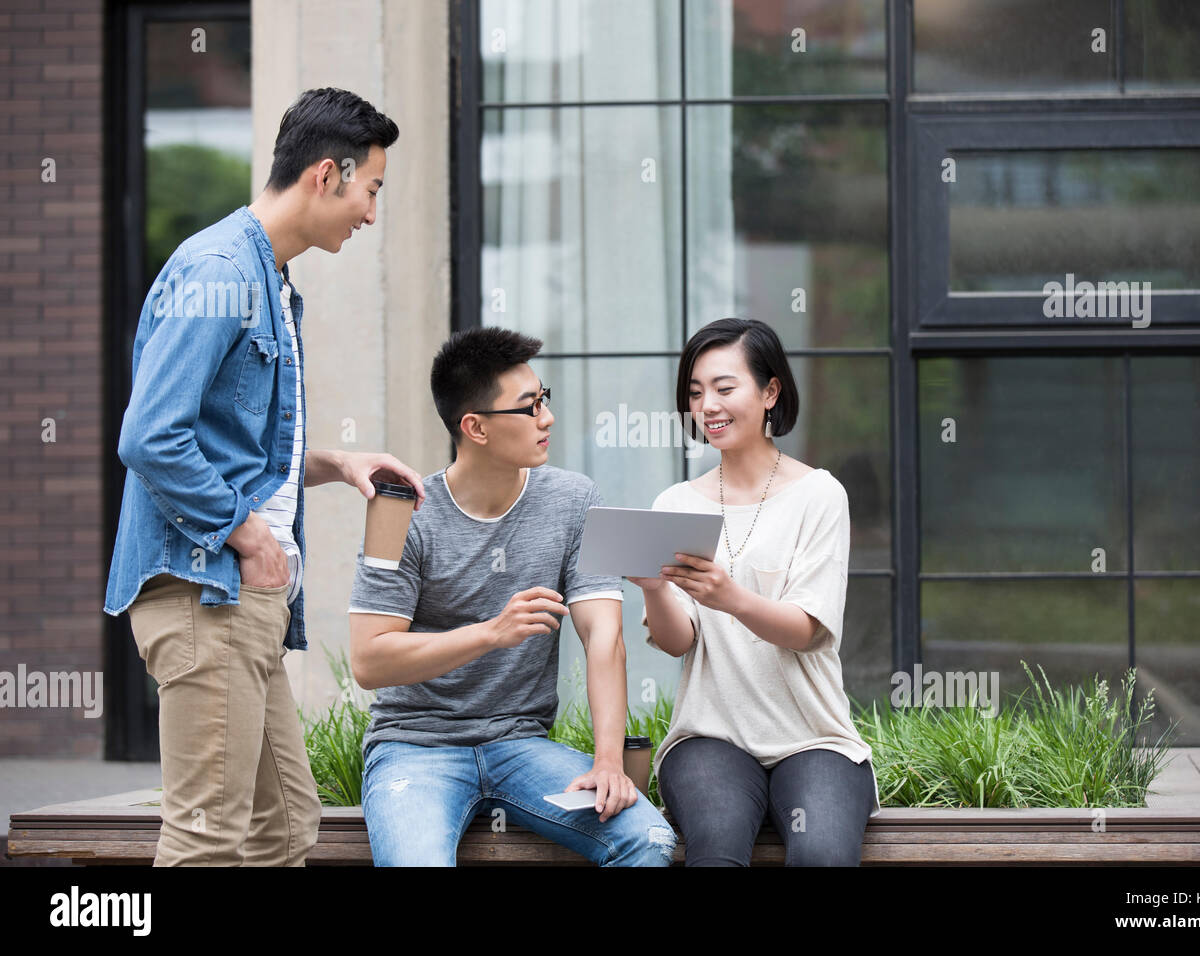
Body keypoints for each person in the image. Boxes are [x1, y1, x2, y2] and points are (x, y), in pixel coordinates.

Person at [105, 88, 427, 866]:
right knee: (207, 839)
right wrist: (246, 534)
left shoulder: (272, 281)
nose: (371, 214)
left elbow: (227, 445)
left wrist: (338, 463)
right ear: (326, 175)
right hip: (203, 591)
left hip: (243, 598)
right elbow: (151, 435)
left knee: (283, 828)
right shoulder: (221, 270)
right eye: (371, 190)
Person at [347, 327, 677, 867]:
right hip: (414, 748)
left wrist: (609, 761)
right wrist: (490, 634)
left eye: (544, 398)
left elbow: (604, 636)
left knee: (650, 840)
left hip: (521, 746)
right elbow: (369, 660)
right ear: (474, 427)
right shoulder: (401, 514)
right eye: (528, 408)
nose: (546, 418)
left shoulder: (575, 499)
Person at [629, 317, 882, 866]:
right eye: (696, 393)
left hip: (813, 738)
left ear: (771, 392)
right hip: (709, 737)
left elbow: (808, 630)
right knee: (716, 849)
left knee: (822, 856)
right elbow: (678, 642)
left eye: (724, 388)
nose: (708, 406)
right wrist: (653, 588)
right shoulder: (676, 502)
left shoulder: (819, 495)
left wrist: (730, 597)